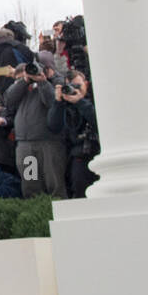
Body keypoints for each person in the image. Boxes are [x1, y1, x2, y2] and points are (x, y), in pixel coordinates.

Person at [2, 57, 68, 198]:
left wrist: (42, 82)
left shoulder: (52, 83)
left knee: (54, 183)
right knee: (31, 185)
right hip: (25, 145)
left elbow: (52, 103)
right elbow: (8, 100)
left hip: (49, 143)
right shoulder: (21, 87)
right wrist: (24, 81)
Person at [49, 69, 100, 198]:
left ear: (86, 84)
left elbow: (98, 122)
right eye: (71, 87)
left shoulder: (95, 98)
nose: (75, 90)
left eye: (78, 86)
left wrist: (80, 102)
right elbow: (53, 126)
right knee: (79, 191)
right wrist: (58, 102)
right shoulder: (64, 105)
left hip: (98, 151)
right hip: (78, 155)